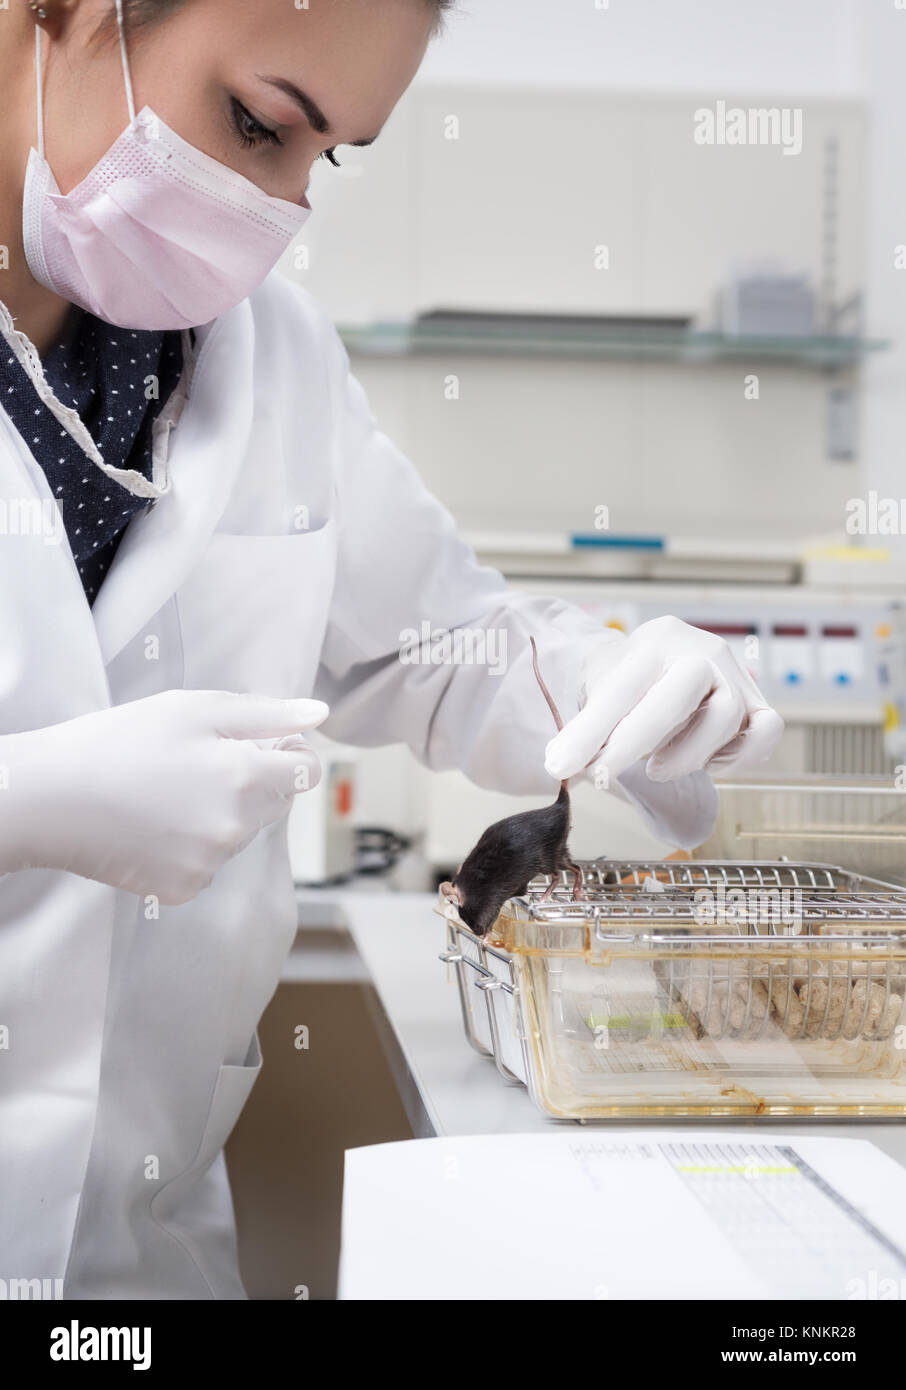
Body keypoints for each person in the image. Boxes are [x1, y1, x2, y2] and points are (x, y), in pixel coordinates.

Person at [0, 0, 782, 1299]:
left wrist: (601, 683)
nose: (276, 208)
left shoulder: (270, 362)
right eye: (257, 123)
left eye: (325, 158)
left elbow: (433, 646)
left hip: (128, 1262)